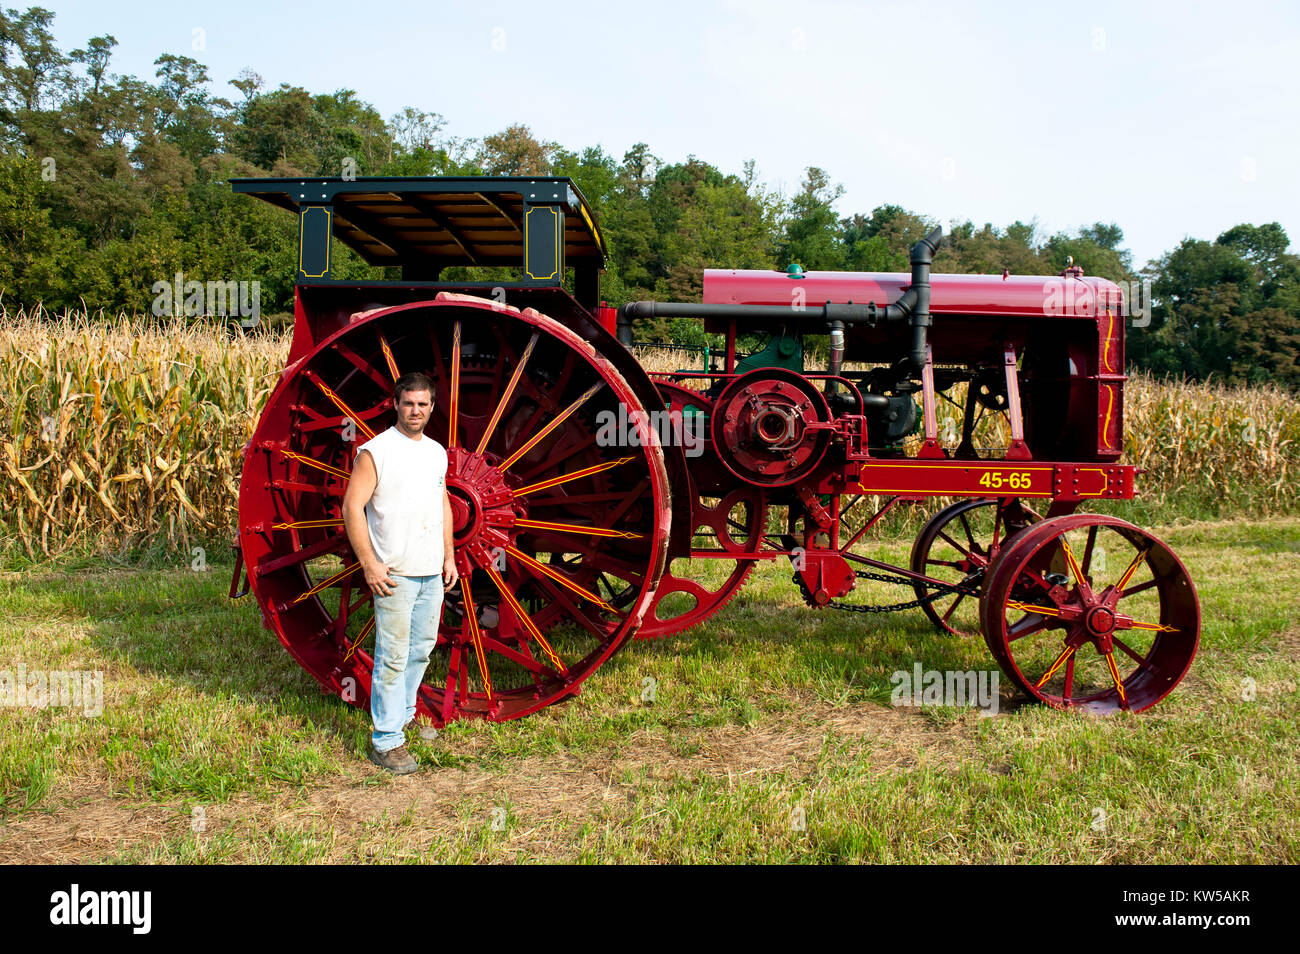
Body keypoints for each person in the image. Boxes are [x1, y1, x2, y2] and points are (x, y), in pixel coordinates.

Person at [342, 371, 459, 774]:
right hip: (395, 572)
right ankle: (386, 740)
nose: (416, 410)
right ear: (396, 404)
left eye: (423, 404)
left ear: (431, 407)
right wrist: (369, 564)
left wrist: (449, 556)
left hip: (431, 571)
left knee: (422, 649)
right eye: (409, 403)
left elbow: (441, 503)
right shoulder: (376, 452)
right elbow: (351, 507)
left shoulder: (436, 452)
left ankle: (404, 721)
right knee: (392, 655)